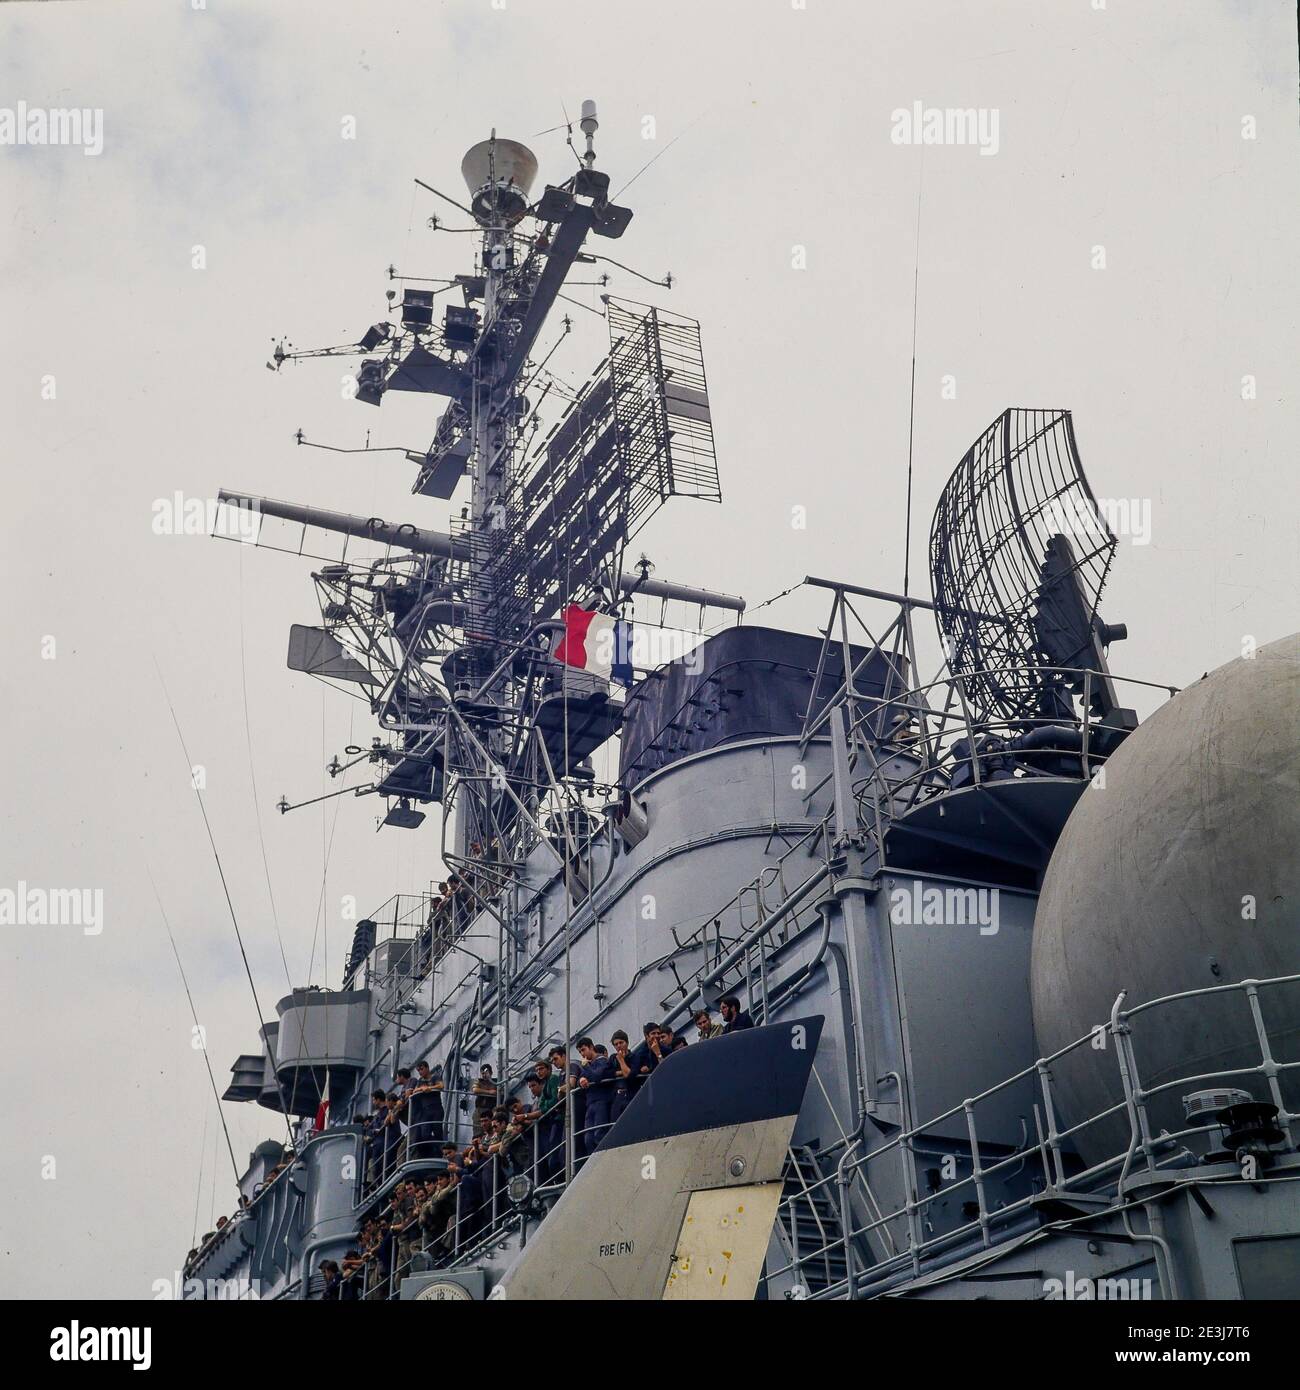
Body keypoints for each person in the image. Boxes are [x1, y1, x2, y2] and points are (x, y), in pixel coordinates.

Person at [575, 1037, 614, 1156]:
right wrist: (581, 1080)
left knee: (599, 1134)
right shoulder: (590, 1064)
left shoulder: (601, 1061)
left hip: (600, 1101)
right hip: (590, 1103)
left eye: (583, 1050)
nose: (582, 1054)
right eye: (580, 1052)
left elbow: (597, 1076)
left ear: (591, 1047)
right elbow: (582, 1077)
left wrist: (586, 1067)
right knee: (588, 1139)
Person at [407, 1060, 445, 1159]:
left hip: (436, 1108)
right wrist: (420, 1089)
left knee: (438, 1132)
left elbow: (441, 1086)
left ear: (427, 1068)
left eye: (422, 1069)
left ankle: (440, 1153)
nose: (420, 1072)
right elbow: (416, 1090)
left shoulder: (435, 1077)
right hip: (425, 1111)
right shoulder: (420, 1081)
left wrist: (430, 1088)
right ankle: (431, 1152)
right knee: (424, 1134)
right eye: (418, 1070)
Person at [610, 1030, 634, 1121]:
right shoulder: (613, 1058)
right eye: (616, 1044)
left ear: (627, 1043)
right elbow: (606, 1073)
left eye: (621, 1042)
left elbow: (629, 1074)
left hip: (630, 1094)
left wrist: (621, 1060)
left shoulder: (633, 1057)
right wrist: (619, 1072)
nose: (619, 1046)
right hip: (617, 1096)